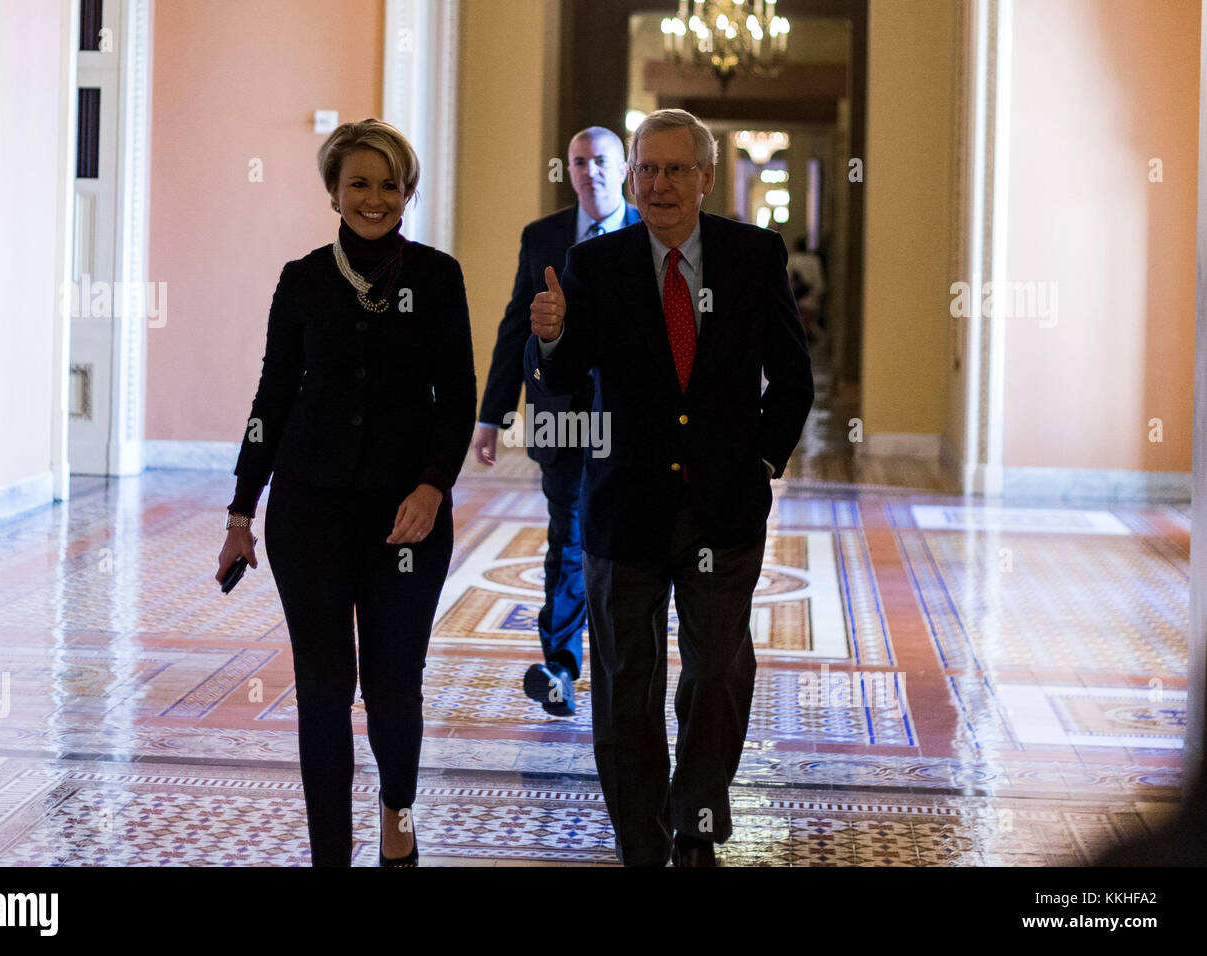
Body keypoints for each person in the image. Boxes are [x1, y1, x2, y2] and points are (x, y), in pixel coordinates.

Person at [524, 108, 813, 866]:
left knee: (717, 677)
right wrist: (550, 333)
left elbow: (792, 379)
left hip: (723, 511)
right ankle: (641, 844)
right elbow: (564, 371)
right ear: (632, 177)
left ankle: (699, 827)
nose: (659, 185)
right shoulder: (600, 264)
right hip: (625, 508)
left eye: (677, 170)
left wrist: (761, 463)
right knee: (626, 686)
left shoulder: (755, 257)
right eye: (646, 170)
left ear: (707, 179)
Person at [215, 118, 476, 867]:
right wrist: (242, 511)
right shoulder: (302, 281)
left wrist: (432, 487)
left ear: (408, 192)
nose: (374, 197)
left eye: (389, 184)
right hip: (311, 515)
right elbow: (273, 397)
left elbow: (457, 398)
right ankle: (329, 851)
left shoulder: (436, 277)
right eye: (358, 182)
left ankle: (397, 808)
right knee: (325, 689)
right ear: (333, 190)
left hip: (407, 520)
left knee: (394, 686)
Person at [471, 127, 641, 717]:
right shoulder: (542, 237)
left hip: (633, 427)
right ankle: (561, 669)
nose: (590, 171)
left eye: (601, 161)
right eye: (578, 162)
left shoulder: (652, 233)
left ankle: (624, 672)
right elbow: (516, 326)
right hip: (560, 421)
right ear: (567, 170)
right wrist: (492, 416)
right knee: (567, 541)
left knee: (625, 548)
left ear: (623, 168)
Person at [786, 235, 825, 343]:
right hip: (809, 299)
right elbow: (819, 284)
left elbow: (786, 281)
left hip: (796, 299)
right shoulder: (814, 261)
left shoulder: (790, 260)